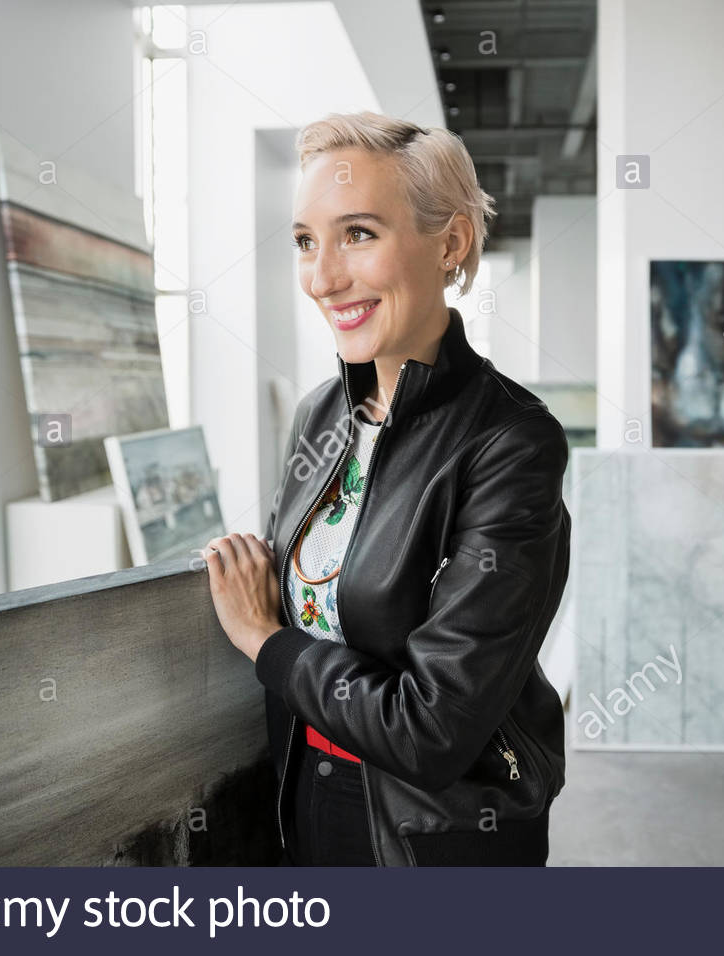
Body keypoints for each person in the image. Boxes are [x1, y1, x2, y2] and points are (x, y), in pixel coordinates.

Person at [202, 110, 570, 866]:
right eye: (306, 241)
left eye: (358, 234)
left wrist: (264, 641)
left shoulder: (510, 443)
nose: (322, 277)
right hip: (310, 797)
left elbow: (431, 728)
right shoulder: (320, 415)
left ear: (451, 243)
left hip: (433, 835)